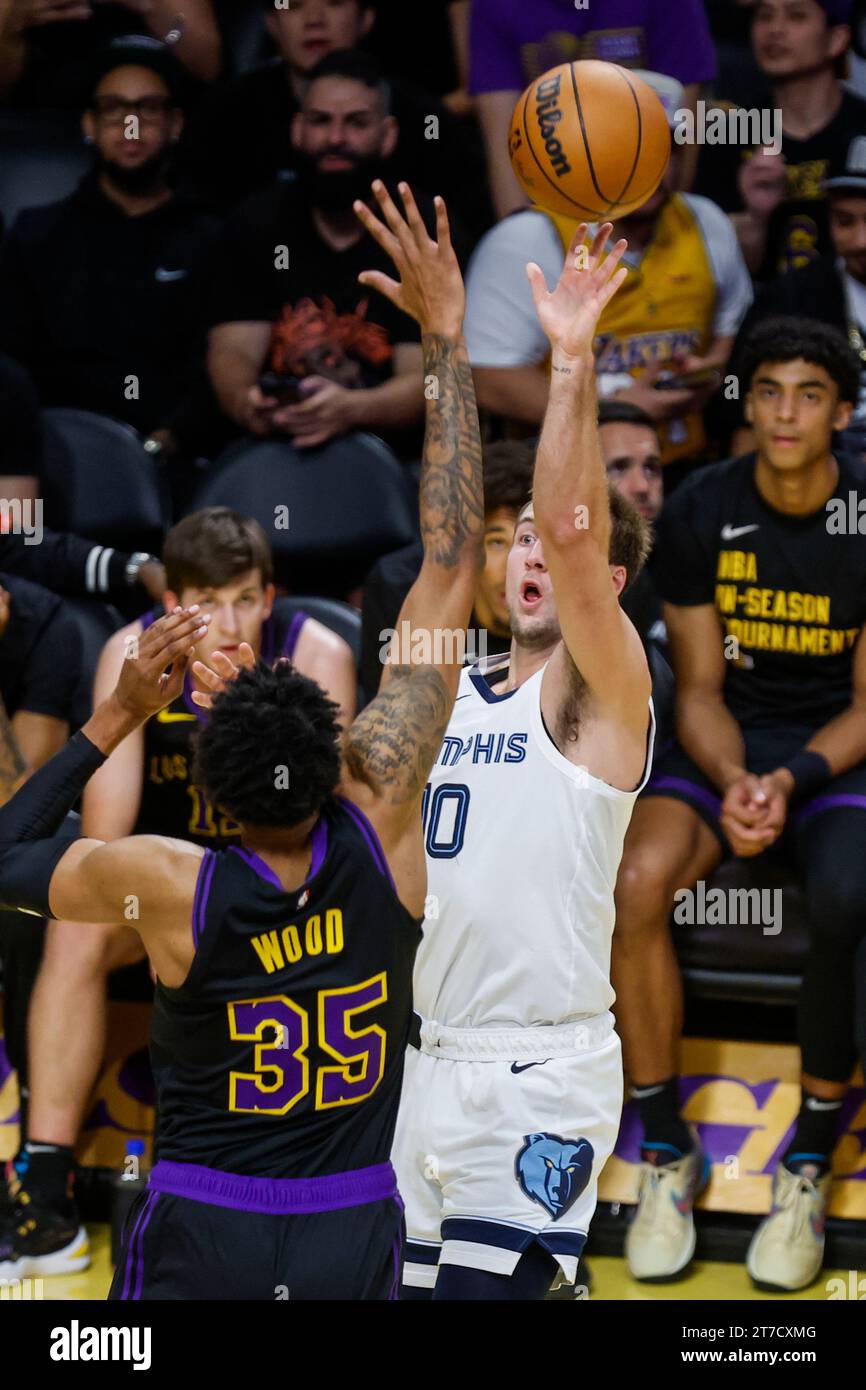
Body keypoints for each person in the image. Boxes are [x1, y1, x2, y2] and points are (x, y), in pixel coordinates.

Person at [0, 180, 486, 1298]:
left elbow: (7, 853)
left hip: (202, 1219)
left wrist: (116, 716)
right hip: (351, 1216)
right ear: (338, 752)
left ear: (211, 783)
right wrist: (444, 339)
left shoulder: (171, 883)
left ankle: (43, 1184)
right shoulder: (381, 821)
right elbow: (451, 557)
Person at [393, 225, 654, 1300]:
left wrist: (569, 360)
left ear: (611, 593)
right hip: (427, 1064)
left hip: (542, 1075)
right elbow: (443, 546)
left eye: (552, 542)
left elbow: (577, 528)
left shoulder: (600, 695)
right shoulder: (440, 681)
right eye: (521, 541)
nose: (535, 552)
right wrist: (443, 342)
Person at [4, 506, 356, 1275]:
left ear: (270, 597)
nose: (228, 622)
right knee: (76, 927)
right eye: (207, 603)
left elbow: (335, 824)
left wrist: (249, 718)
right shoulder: (134, 659)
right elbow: (104, 838)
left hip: (286, 892)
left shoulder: (316, 654)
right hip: (173, 892)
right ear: (173, 605)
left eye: (244, 599)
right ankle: (48, 1192)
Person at [613, 317, 866, 1292]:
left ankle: (807, 1157)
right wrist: (734, 782)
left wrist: (787, 782)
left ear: (842, 413)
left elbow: (865, 705)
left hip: (832, 753)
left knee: (846, 896)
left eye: (810, 393)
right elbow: (701, 688)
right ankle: (665, 1148)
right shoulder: (701, 508)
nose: (785, 412)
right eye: (767, 391)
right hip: (723, 741)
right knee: (634, 880)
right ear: (746, 404)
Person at [464, 72, 753, 482]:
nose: (651, 167)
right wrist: (610, 409)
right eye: (632, 147)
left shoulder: (706, 222)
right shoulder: (528, 238)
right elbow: (488, 378)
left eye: (665, 149)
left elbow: (730, 334)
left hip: (686, 471)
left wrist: (708, 372)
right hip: (563, 478)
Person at [0, 39, 221, 466]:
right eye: (114, 109)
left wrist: (167, 441)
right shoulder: (36, 236)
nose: (131, 125)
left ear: (176, 123)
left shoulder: (214, 240)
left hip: (182, 461)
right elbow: (13, 367)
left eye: (147, 109)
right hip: (54, 455)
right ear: (89, 124)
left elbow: (223, 366)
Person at [207, 49, 426, 458]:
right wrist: (248, 403)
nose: (336, 138)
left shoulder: (420, 233)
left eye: (356, 123)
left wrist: (352, 410)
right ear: (297, 129)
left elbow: (428, 384)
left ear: (388, 134)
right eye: (320, 121)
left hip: (394, 464)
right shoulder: (254, 225)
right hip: (271, 454)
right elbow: (232, 351)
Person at [181, 0, 487, 234]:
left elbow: (464, 222)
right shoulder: (227, 116)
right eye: (293, 5)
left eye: (335, 2)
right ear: (271, 22)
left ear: (366, 19)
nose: (314, 20)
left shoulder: (421, 118)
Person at [467, 0, 717, 220]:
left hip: (646, 194)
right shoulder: (495, 5)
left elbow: (682, 139)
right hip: (553, 199)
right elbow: (505, 149)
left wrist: (658, 233)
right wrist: (523, 237)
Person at [695, 0, 866, 279]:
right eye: (765, 16)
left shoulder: (861, 128)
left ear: (837, 39)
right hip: (763, 303)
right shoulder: (727, 136)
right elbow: (717, 279)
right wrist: (755, 217)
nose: (775, 29)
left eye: (796, 16)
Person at [359, 440, 535, 698]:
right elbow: (390, 712)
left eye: (528, 540)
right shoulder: (401, 586)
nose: (514, 563)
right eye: (497, 542)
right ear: (465, 549)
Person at [730, 136, 866, 459]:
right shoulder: (790, 297)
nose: (860, 240)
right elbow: (738, 402)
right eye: (845, 221)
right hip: (818, 470)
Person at [0, 0, 221, 105]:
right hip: (46, 122)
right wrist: (12, 26)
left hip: (156, 113)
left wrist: (150, 5)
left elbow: (208, 68)